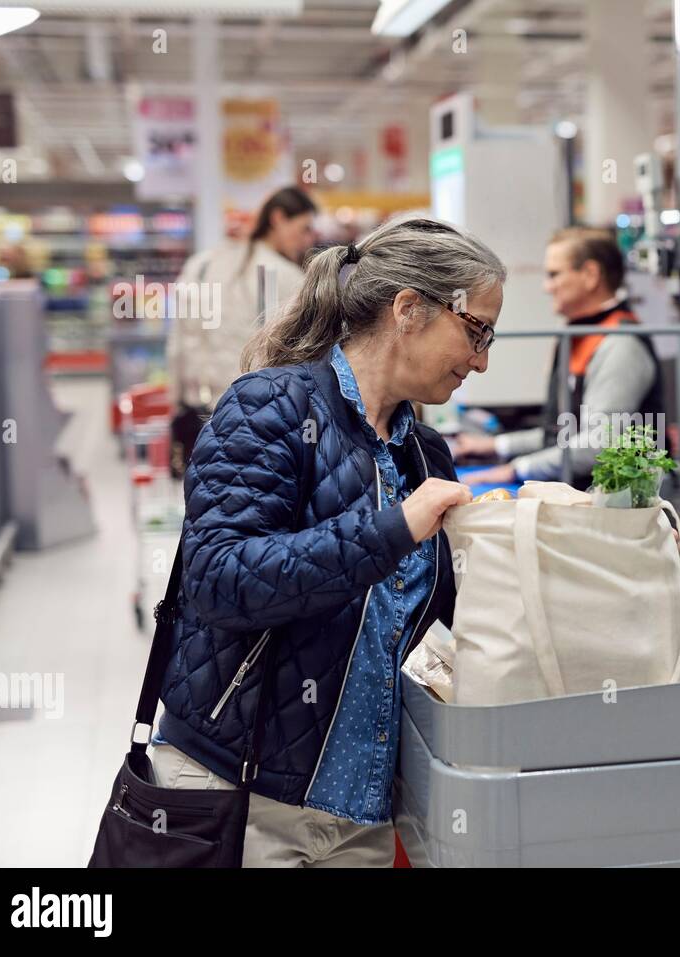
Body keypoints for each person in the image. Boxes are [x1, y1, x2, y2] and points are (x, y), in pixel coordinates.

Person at [146, 216, 505, 866]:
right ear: (408, 309)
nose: (481, 359)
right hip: (240, 796)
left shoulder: (424, 455)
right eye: (476, 329)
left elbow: (449, 620)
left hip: (362, 810)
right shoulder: (268, 409)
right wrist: (392, 528)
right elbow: (222, 580)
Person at [455, 226, 664, 486]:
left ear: (590, 275)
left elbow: (598, 444)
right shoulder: (582, 335)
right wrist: (498, 445)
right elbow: (564, 434)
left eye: (554, 275)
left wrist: (516, 470)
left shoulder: (620, 345)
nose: (546, 287)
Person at [166, 186, 318, 470]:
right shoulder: (283, 276)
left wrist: (175, 404)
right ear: (278, 219)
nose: (307, 239)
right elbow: (298, 358)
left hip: (198, 414)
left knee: (199, 504)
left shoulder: (200, 266)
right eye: (304, 228)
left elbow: (177, 344)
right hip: (255, 420)